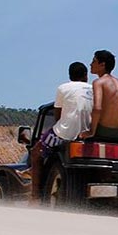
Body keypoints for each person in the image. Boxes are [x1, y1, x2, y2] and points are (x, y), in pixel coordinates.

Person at [29, 61, 91, 204]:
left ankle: (35, 196)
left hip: (64, 133)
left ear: (70, 76)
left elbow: (58, 116)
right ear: (86, 76)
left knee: (36, 153)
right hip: (87, 133)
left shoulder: (63, 88)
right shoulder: (94, 89)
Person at [77, 49, 118, 142]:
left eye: (94, 61)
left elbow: (97, 108)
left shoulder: (99, 82)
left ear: (102, 65)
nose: (90, 64)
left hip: (106, 131)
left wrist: (91, 131)